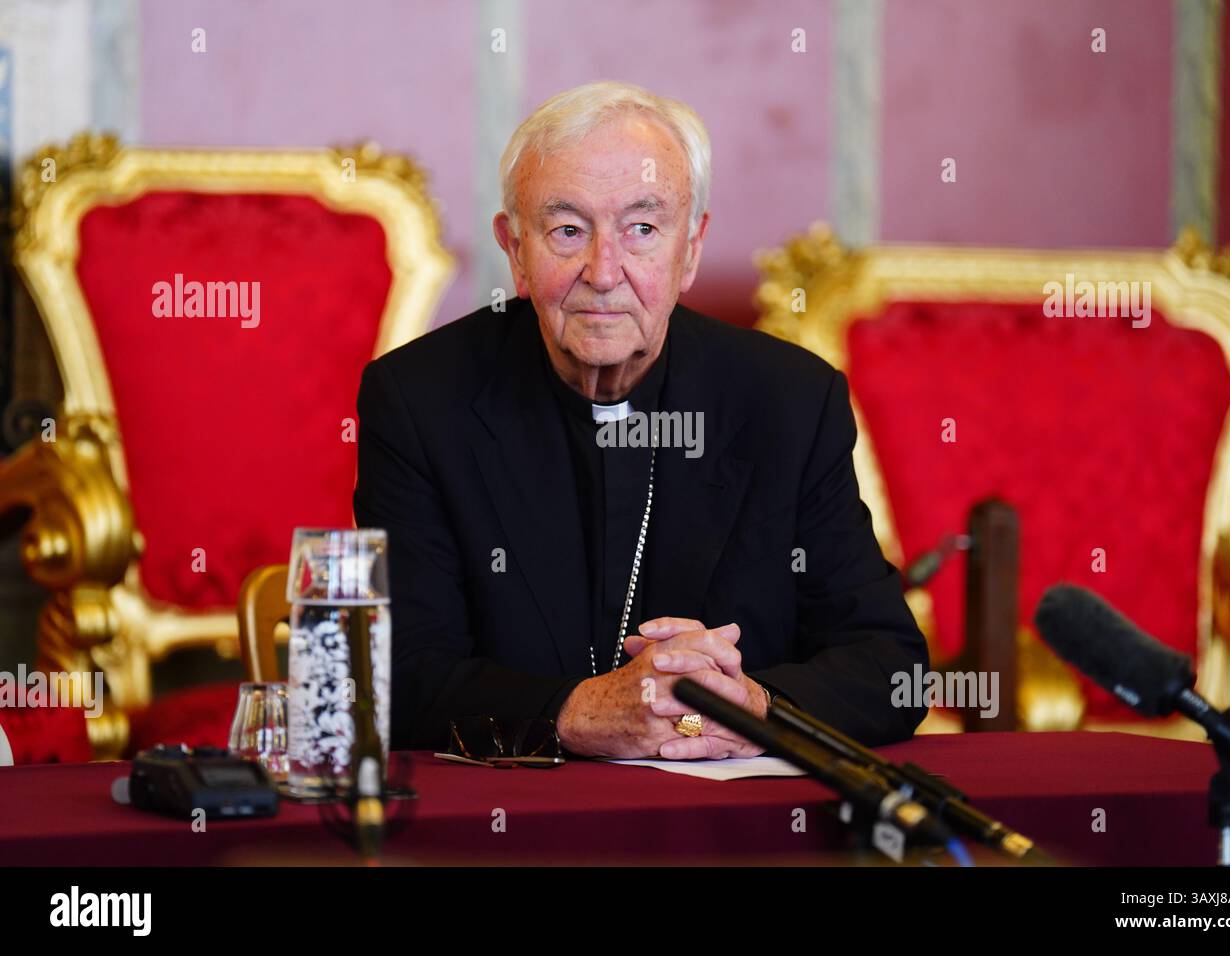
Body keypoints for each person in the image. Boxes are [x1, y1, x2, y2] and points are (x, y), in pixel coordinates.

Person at [354, 80, 928, 759]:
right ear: (514, 250)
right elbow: (399, 675)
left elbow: (893, 668)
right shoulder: (422, 399)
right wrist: (575, 712)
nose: (603, 271)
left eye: (643, 230)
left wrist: (756, 709)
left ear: (690, 248)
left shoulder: (789, 401)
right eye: (567, 230)